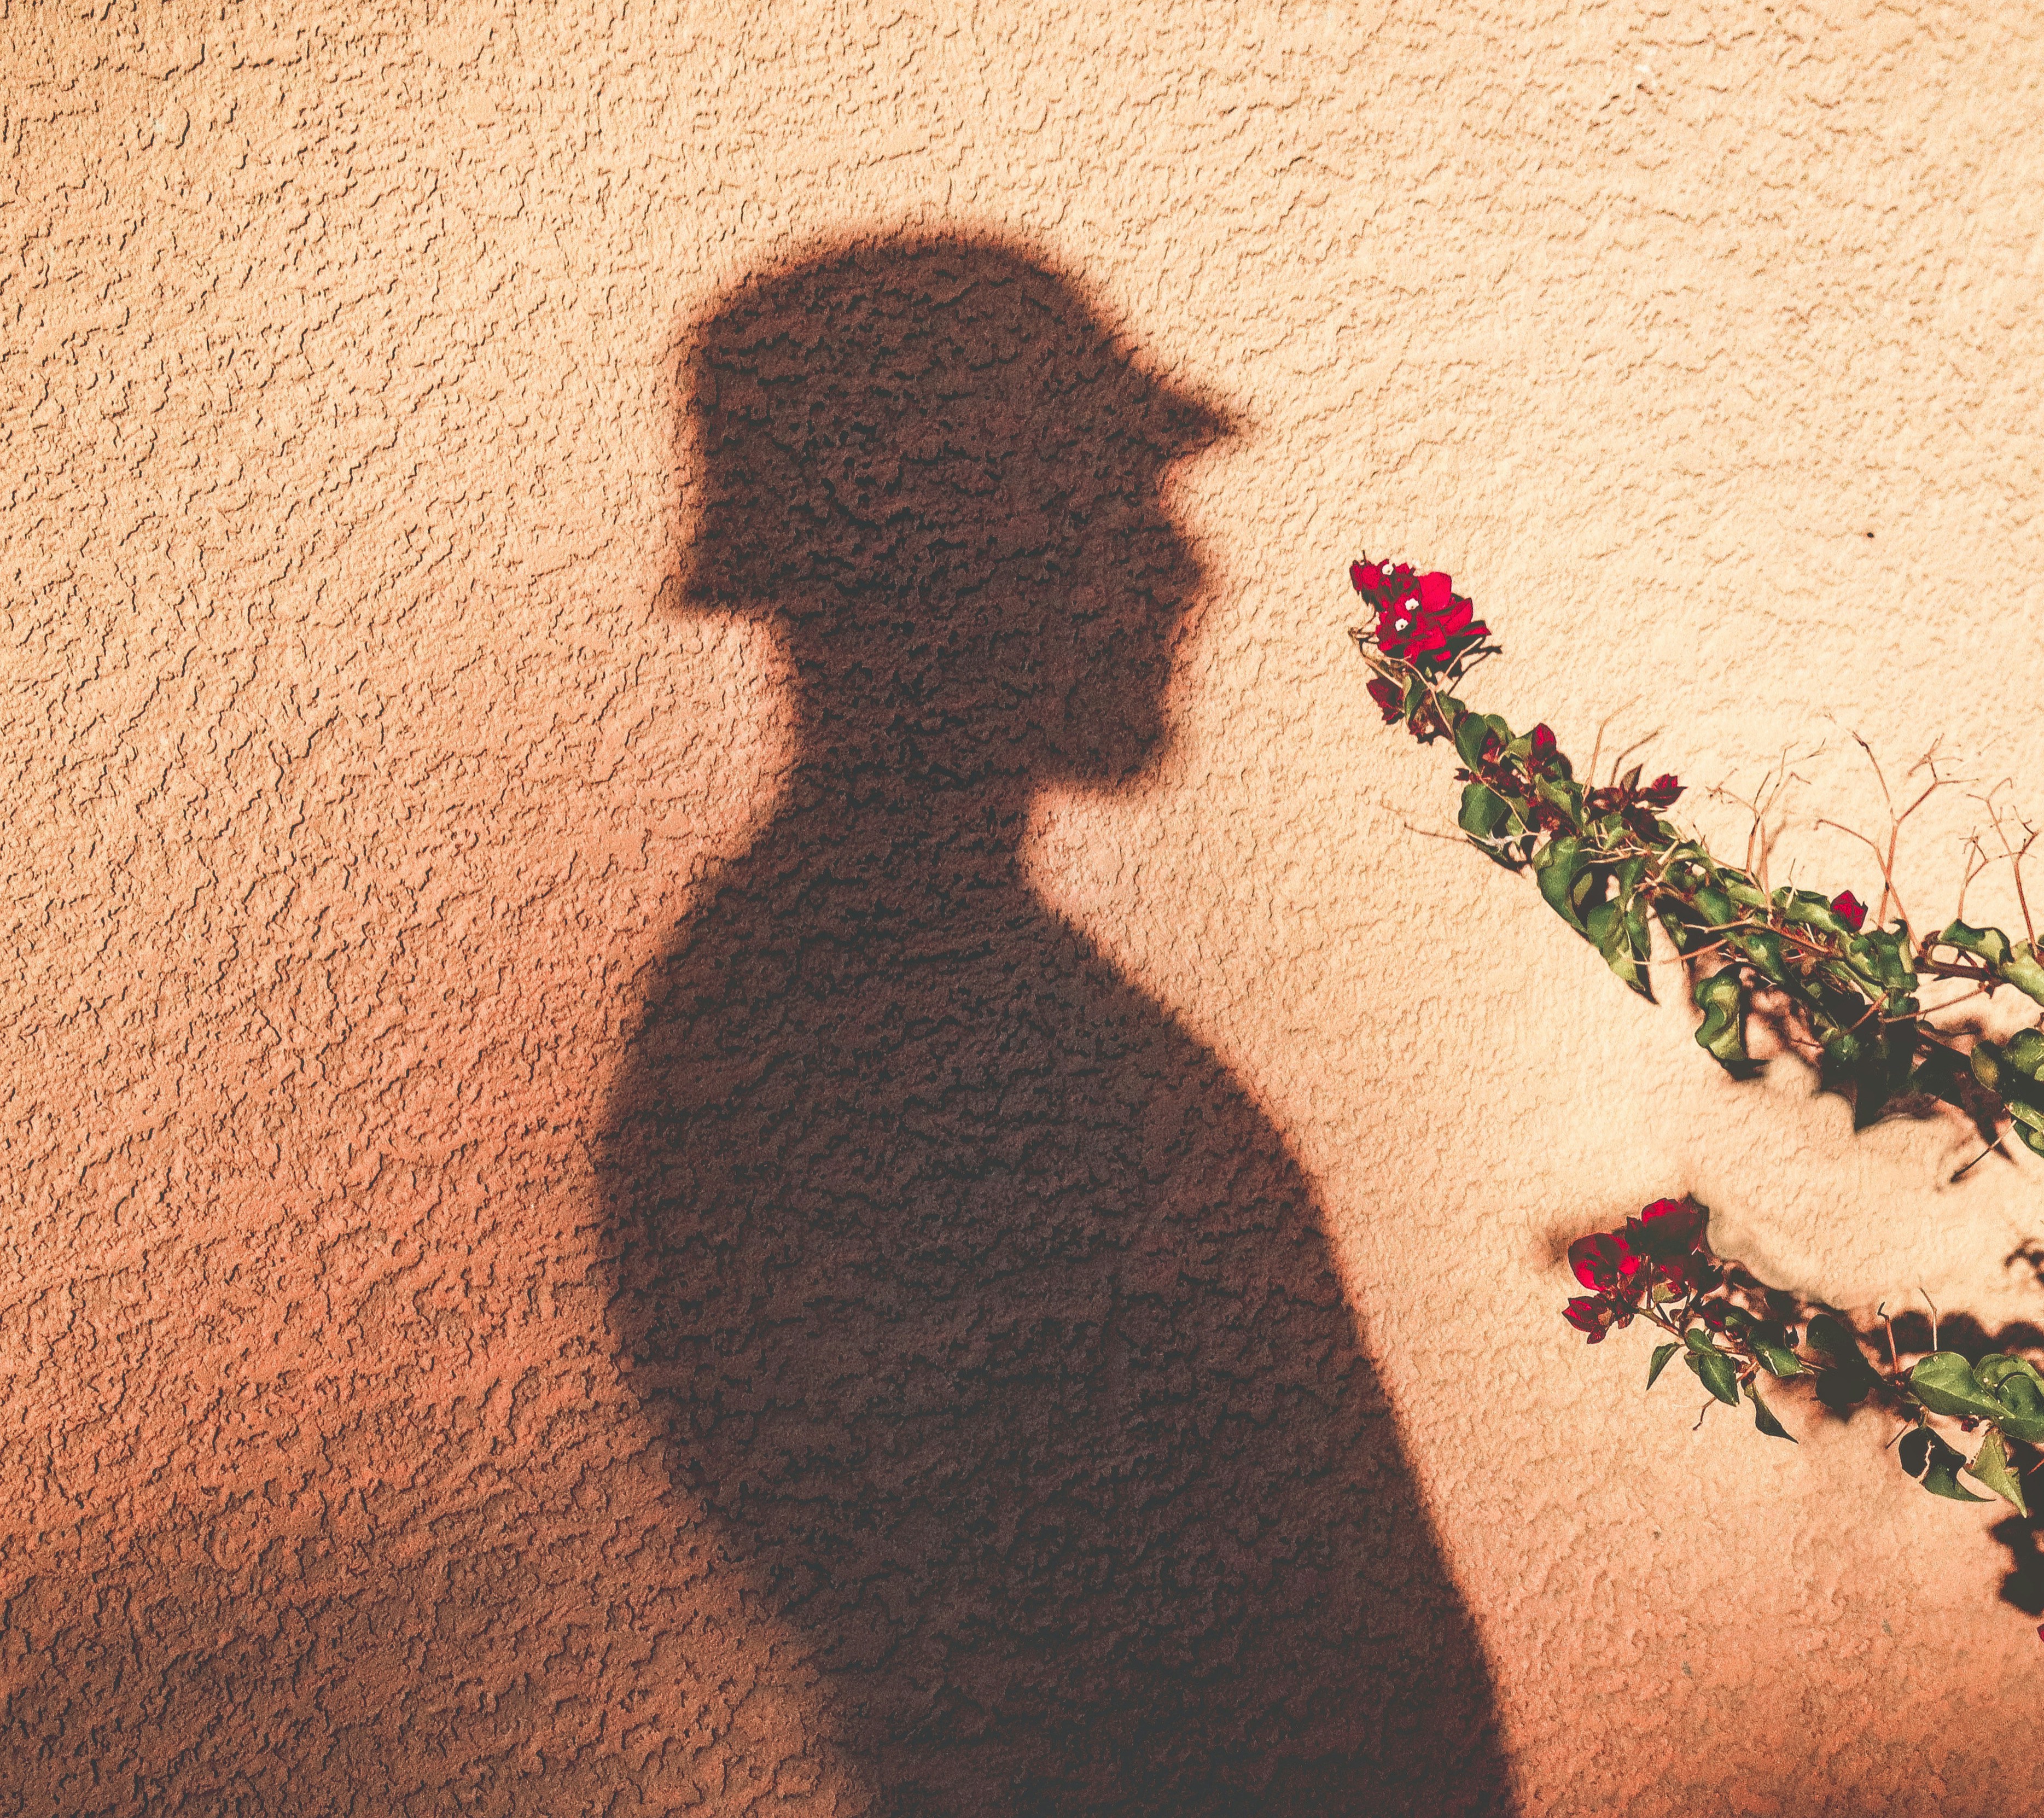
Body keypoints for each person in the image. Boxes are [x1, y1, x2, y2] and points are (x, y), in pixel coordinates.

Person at [598, 238, 1504, 1815]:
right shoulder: (879, 1050)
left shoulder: (870, 1010)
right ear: (938, 554)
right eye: (1098, 505)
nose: (1181, 570)